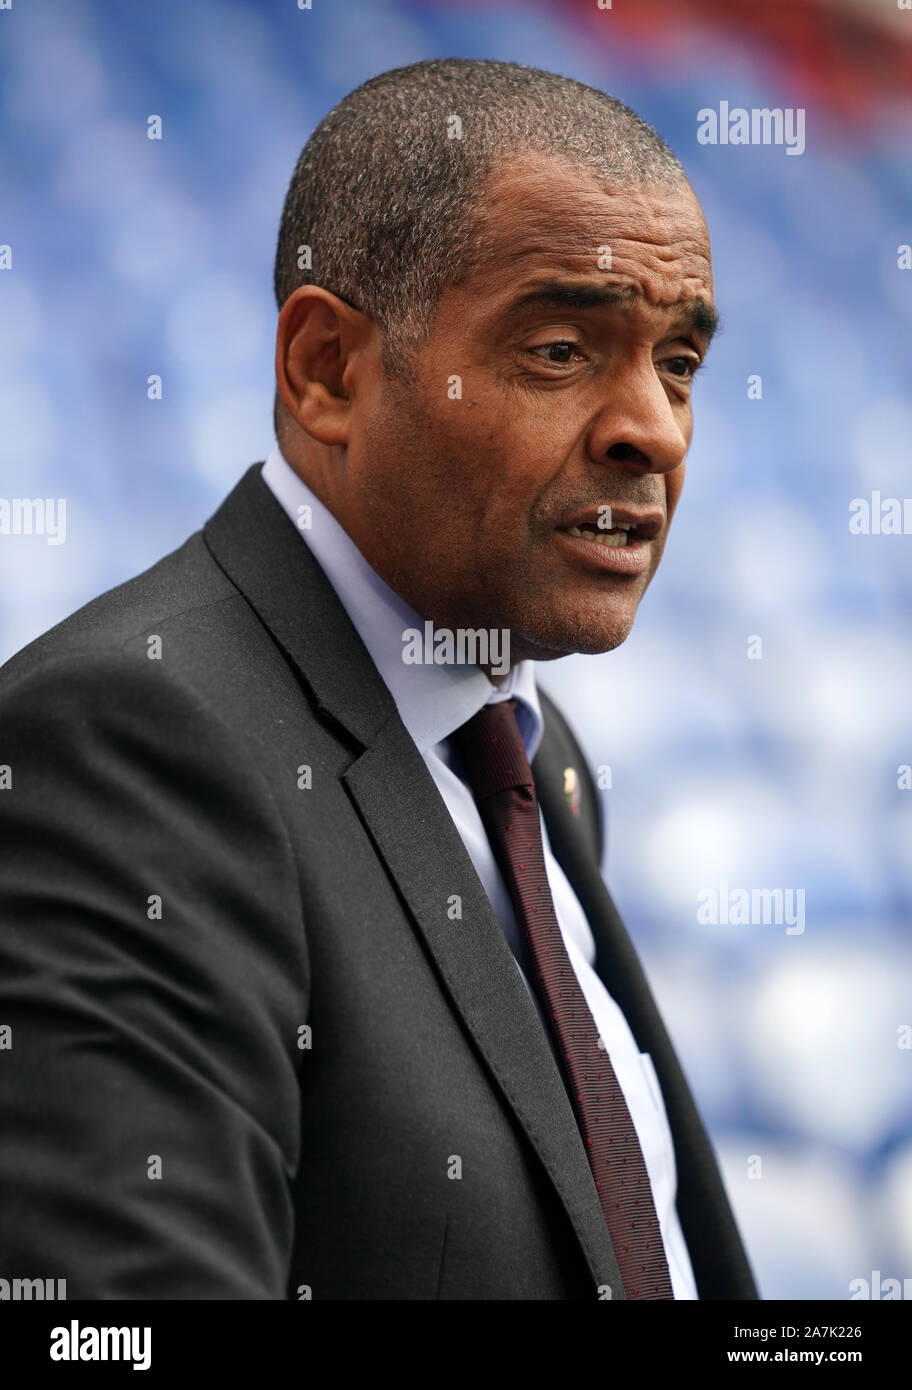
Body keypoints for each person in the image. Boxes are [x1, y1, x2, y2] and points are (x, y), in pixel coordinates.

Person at [0, 58, 758, 1300]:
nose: (656, 431)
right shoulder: (128, 744)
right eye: (565, 347)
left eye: (677, 363)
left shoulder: (527, 752)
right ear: (329, 370)